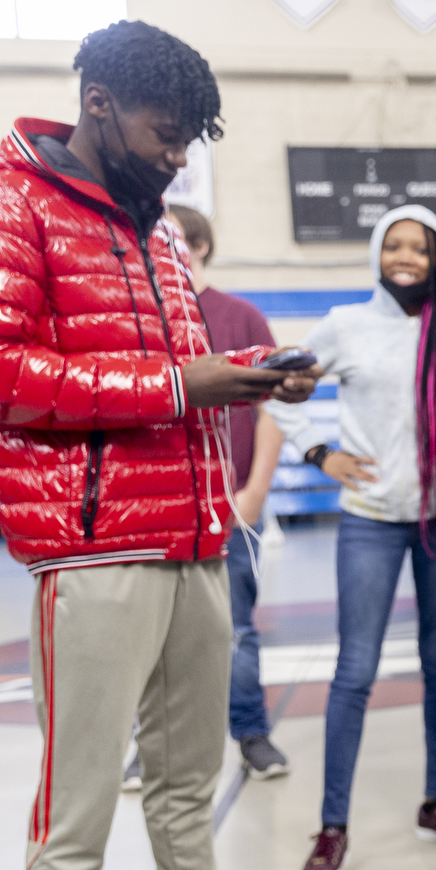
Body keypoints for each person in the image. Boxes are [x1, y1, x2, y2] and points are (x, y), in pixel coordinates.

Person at [0, 19, 333, 870]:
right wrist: (180, 384)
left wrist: (244, 377)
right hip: (94, 549)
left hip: (195, 537)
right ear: (99, 102)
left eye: (191, 141)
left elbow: (166, 375)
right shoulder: (5, 203)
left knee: (186, 780)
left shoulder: (153, 229)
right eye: (166, 133)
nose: (177, 157)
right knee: (77, 807)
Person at [268, 204, 436, 870]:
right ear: (377, 252)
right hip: (370, 519)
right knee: (355, 669)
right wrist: (320, 452)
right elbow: (280, 389)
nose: (405, 257)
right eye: (393, 245)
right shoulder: (346, 325)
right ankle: (332, 827)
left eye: (420, 248)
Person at [167, 205, 292, 780]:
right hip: (160, 508)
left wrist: (254, 492)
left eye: (174, 239)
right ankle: (156, 744)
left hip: (230, 506)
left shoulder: (241, 317)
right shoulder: (141, 319)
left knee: (237, 629)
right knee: (157, 637)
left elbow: (273, 412)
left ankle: (252, 732)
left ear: (199, 246)